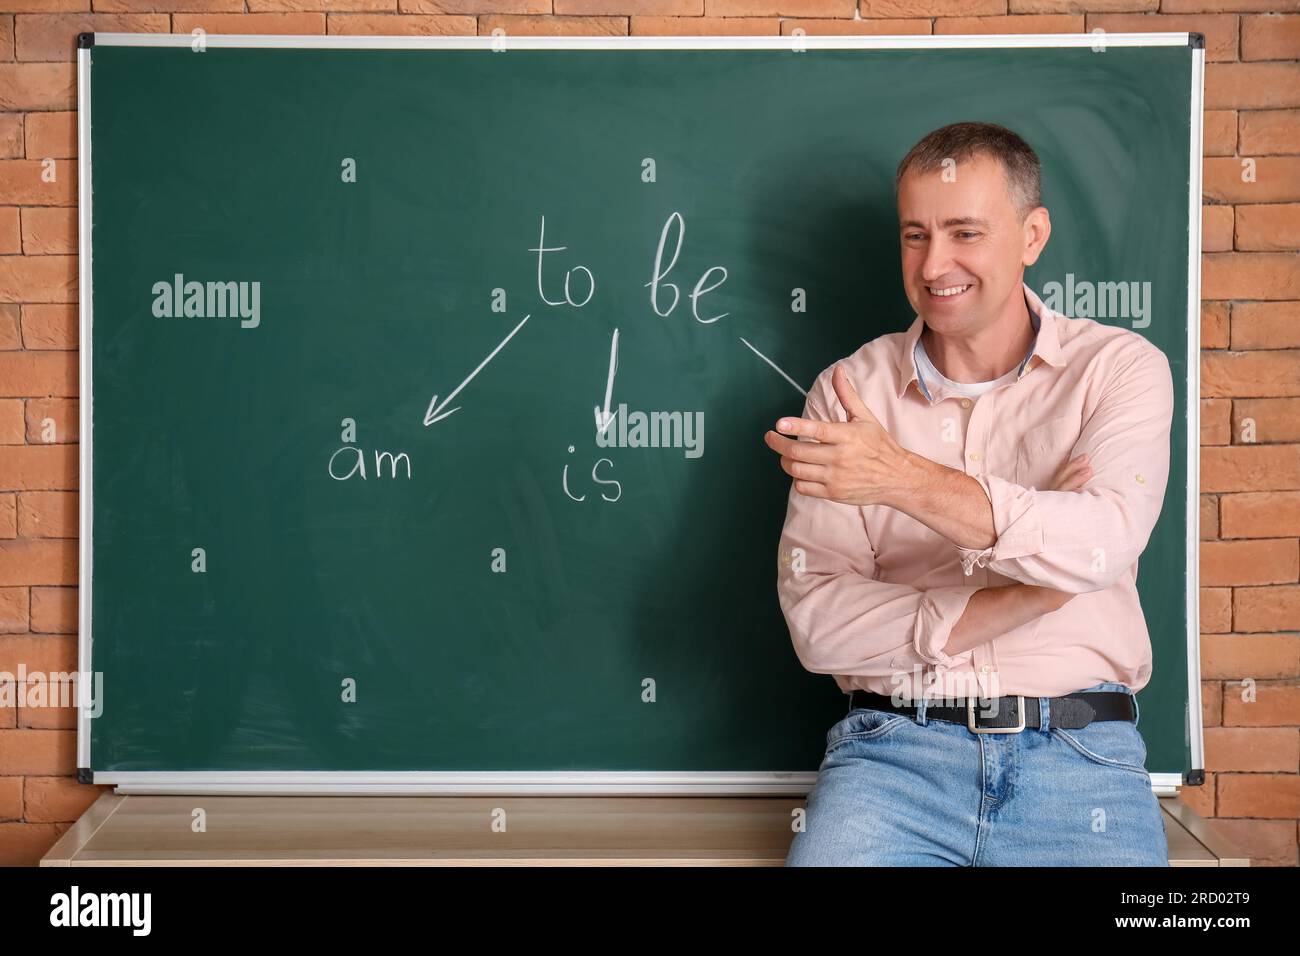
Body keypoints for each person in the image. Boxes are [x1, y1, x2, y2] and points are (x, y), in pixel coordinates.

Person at [764, 121, 1173, 866]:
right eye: (915, 235)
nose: (934, 263)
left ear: (1032, 234)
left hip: (1082, 758)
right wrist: (1019, 595)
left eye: (964, 233)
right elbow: (819, 623)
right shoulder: (849, 394)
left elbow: (1101, 543)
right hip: (891, 761)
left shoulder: (1119, 371)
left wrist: (898, 477)